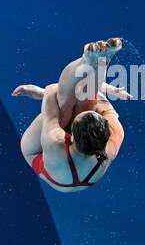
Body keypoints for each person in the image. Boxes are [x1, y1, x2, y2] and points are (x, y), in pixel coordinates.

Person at [15, 38, 129, 192]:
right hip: (82, 165)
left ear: (71, 137)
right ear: (106, 130)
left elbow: (52, 92)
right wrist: (103, 84)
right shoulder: (116, 133)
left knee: (63, 107)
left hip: (40, 156)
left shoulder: (55, 142)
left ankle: (84, 60)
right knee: (88, 99)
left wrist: (41, 92)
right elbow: (94, 95)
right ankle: (102, 61)